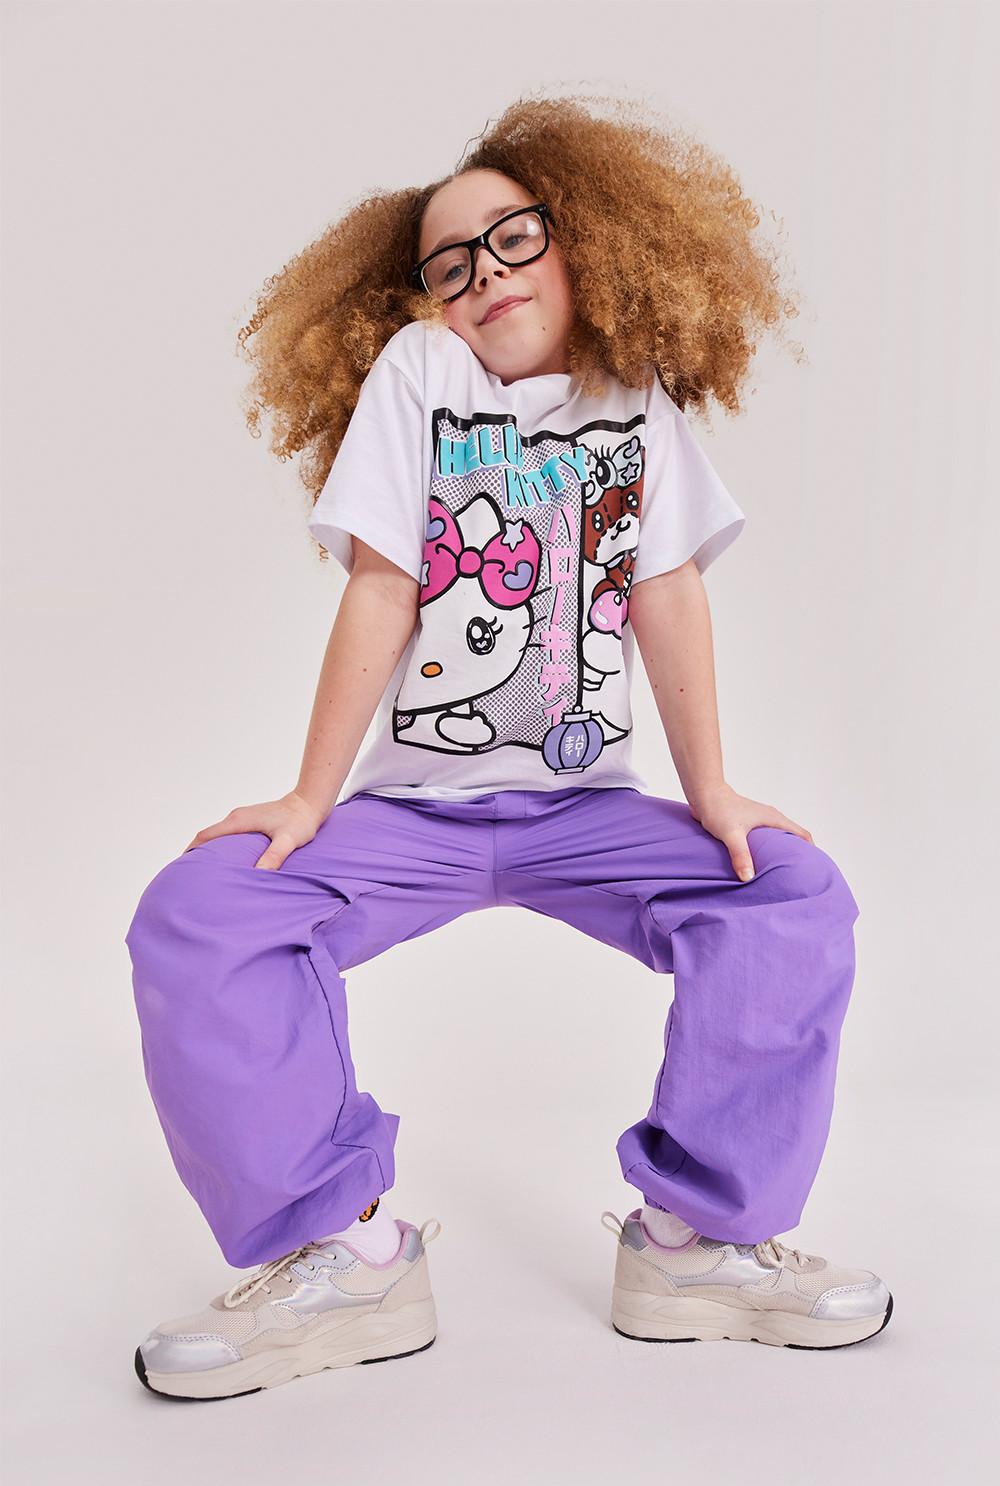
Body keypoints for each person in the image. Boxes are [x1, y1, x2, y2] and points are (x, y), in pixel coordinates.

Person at [124, 94, 892, 1402]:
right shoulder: (421, 376)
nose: (484, 274)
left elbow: (665, 593)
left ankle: (696, 1244)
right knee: (201, 911)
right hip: (413, 817)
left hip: (588, 810)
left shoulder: (634, 401)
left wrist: (712, 792)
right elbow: (381, 585)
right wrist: (309, 797)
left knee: (790, 893)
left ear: (585, 238)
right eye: (448, 264)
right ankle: (344, 1253)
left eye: (513, 238)